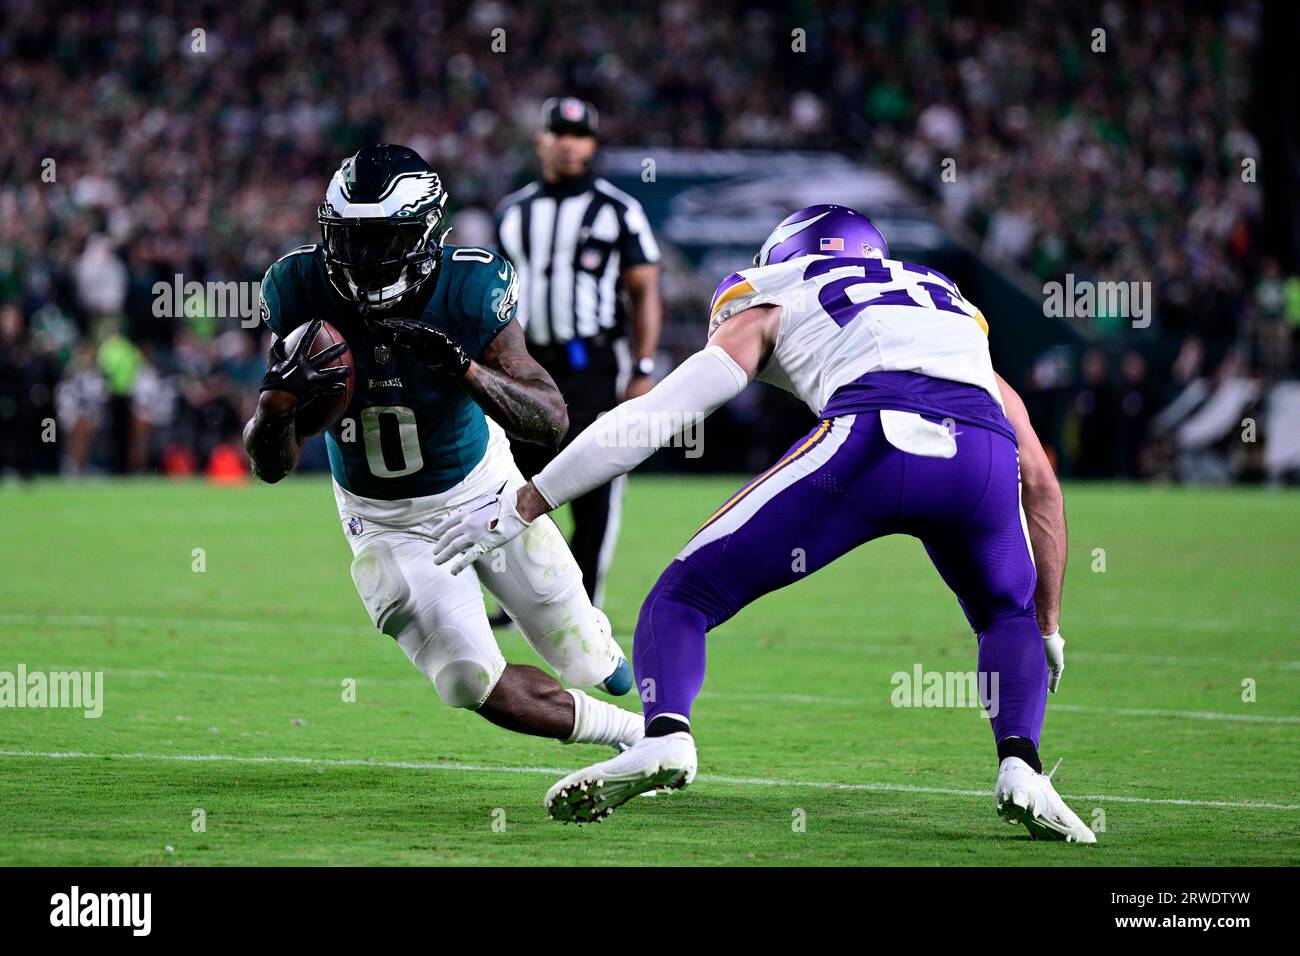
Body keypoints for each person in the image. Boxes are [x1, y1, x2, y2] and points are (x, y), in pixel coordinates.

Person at [430, 204, 1095, 843]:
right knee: (1007, 614)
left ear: (786, 255)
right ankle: (1022, 766)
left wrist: (529, 499)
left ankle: (664, 738)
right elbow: (1039, 480)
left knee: (683, 597)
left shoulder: (778, 291)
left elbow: (660, 416)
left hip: (869, 442)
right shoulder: (944, 305)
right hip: (981, 456)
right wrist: (1050, 623)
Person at [242, 144, 641, 753]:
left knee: (585, 656)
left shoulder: (469, 285)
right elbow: (272, 468)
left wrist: (466, 370)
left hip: (483, 490)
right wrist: (275, 406)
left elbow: (551, 421)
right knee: (466, 678)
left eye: (382, 240)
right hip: (382, 520)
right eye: (348, 238)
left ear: (427, 231)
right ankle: (637, 737)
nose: (362, 258)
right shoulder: (297, 287)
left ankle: (602, 646)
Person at [494, 97, 663, 608]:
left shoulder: (617, 210)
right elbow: (496, 293)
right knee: (512, 482)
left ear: (591, 144)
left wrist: (644, 366)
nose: (569, 143)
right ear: (540, 139)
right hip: (525, 364)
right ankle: (519, 600)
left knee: (595, 483)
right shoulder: (513, 211)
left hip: (592, 364)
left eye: (580, 134)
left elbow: (645, 290)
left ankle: (584, 602)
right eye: (558, 132)